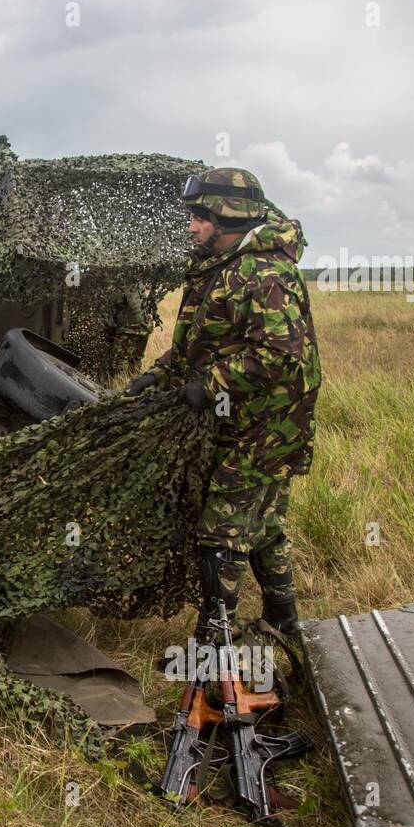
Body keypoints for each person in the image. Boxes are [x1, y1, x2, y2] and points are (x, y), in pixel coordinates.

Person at [126, 168, 321, 638]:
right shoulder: (223, 265)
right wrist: (162, 372)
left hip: (266, 425)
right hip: (245, 420)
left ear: (227, 216)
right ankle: (284, 619)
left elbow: (279, 357)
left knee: (221, 532)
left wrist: (208, 384)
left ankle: (215, 638)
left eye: (199, 217)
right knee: (268, 521)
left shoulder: (265, 273)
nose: (191, 226)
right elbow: (204, 340)